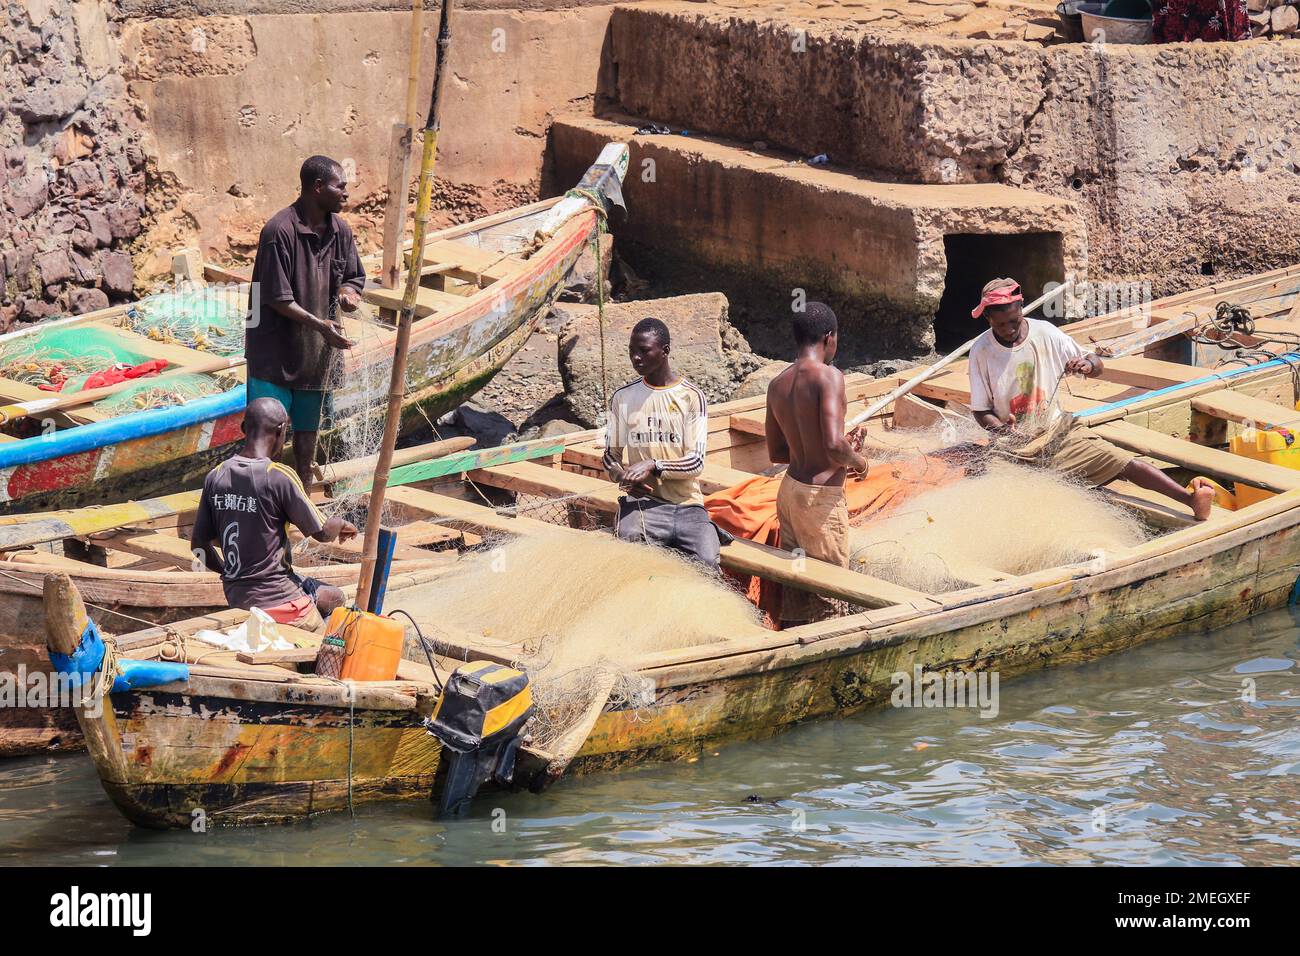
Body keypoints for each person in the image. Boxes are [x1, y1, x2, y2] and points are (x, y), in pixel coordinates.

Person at [968, 277, 1215, 520]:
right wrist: (1004, 432)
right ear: (988, 319)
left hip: (1058, 433)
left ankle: (1191, 500)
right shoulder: (982, 351)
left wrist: (1086, 364)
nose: (1009, 330)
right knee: (994, 489)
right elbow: (981, 410)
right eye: (1000, 325)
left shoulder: (1045, 333)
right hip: (1014, 447)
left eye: (1014, 321)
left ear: (1021, 310)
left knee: (1122, 461)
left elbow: (1097, 363)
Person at [246, 154, 365, 491]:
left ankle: (301, 491)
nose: (346, 194)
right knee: (268, 431)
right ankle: (261, 494)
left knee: (307, 430)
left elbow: (354, 277)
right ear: (317, 188)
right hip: (274, 352)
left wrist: (348, 295)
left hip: (316, 353)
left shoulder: (340, 230)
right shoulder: (278, 231)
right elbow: (277, 298)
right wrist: (322, 326)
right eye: (339, 187)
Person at [191, 398, 357, 632]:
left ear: (243, 428)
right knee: (337, 605)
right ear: (281, 431)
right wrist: (340, 523)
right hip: (278, 600)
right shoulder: (278, 475)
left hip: (236, 596)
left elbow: (198, 544)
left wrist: (230, 573)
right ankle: (316, 647)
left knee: (329, 594)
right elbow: (322, 533)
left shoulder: (216, 475)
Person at [764, 302, 869, 626]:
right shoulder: (830, 377)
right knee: (830, 595)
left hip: (791, 493)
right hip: (820, 501)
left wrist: (827, 449)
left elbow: (778, 453)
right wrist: (859, 461)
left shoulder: (777, 383)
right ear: (829, 337)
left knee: (798, 588)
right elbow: (834, 445)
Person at [603, 318, 722, 567]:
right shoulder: (623, 397)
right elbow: (610, 456)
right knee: (630, 552)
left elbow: (696, 463)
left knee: (708, 560)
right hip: (644, 504)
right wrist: (621, 477)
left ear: (665, 351)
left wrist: (653, 465)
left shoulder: (692, 397)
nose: (636, 358)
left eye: (644, 351)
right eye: (631, 352)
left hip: (687, 505)